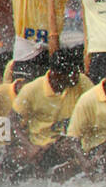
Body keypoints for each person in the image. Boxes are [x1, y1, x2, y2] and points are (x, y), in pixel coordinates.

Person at [8, 47, 93, 175]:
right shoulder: (32, 90)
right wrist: (29, 146)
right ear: (55, 74)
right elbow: (12, 120)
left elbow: (94, 105)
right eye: (72, 73)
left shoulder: (82, 81)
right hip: (41, 147)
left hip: (70, 142)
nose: (77, 76)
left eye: (77, 71)